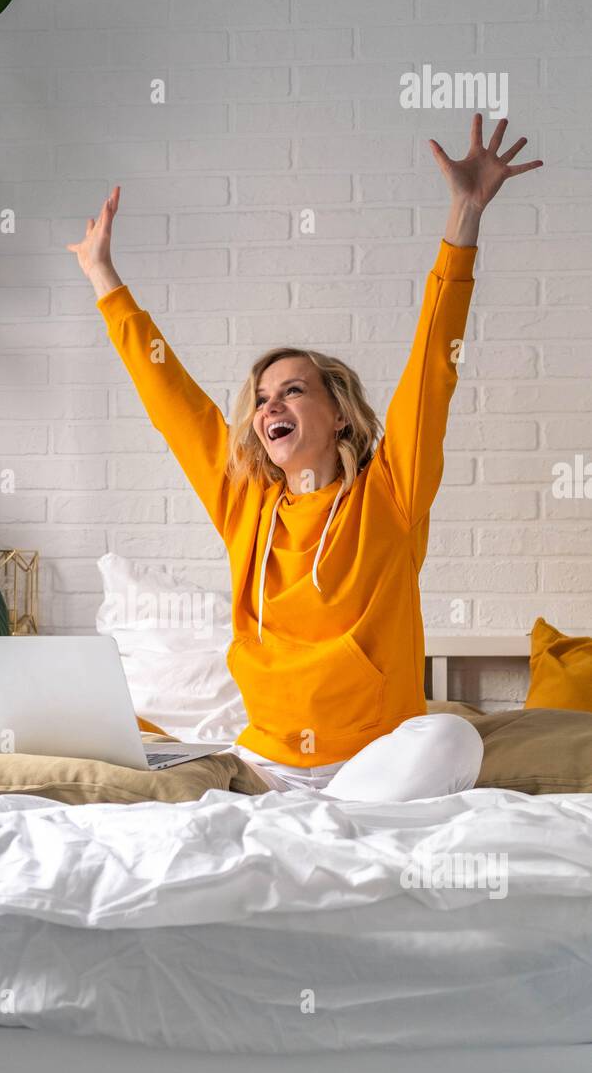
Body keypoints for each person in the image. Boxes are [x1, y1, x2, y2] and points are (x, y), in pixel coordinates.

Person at [66, 114, 543, 800]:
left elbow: (432, 368)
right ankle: (307, 824)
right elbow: (172, 402)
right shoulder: (245, 505)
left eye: (293, 390)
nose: (269, 407)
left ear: (341, 413)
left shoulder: (391, 494)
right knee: (140, 778)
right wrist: (104, 278)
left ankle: (326, 823)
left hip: (375, 764)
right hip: (266, 768)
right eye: (262, 399)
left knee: (452, 736)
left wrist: (464, 216)